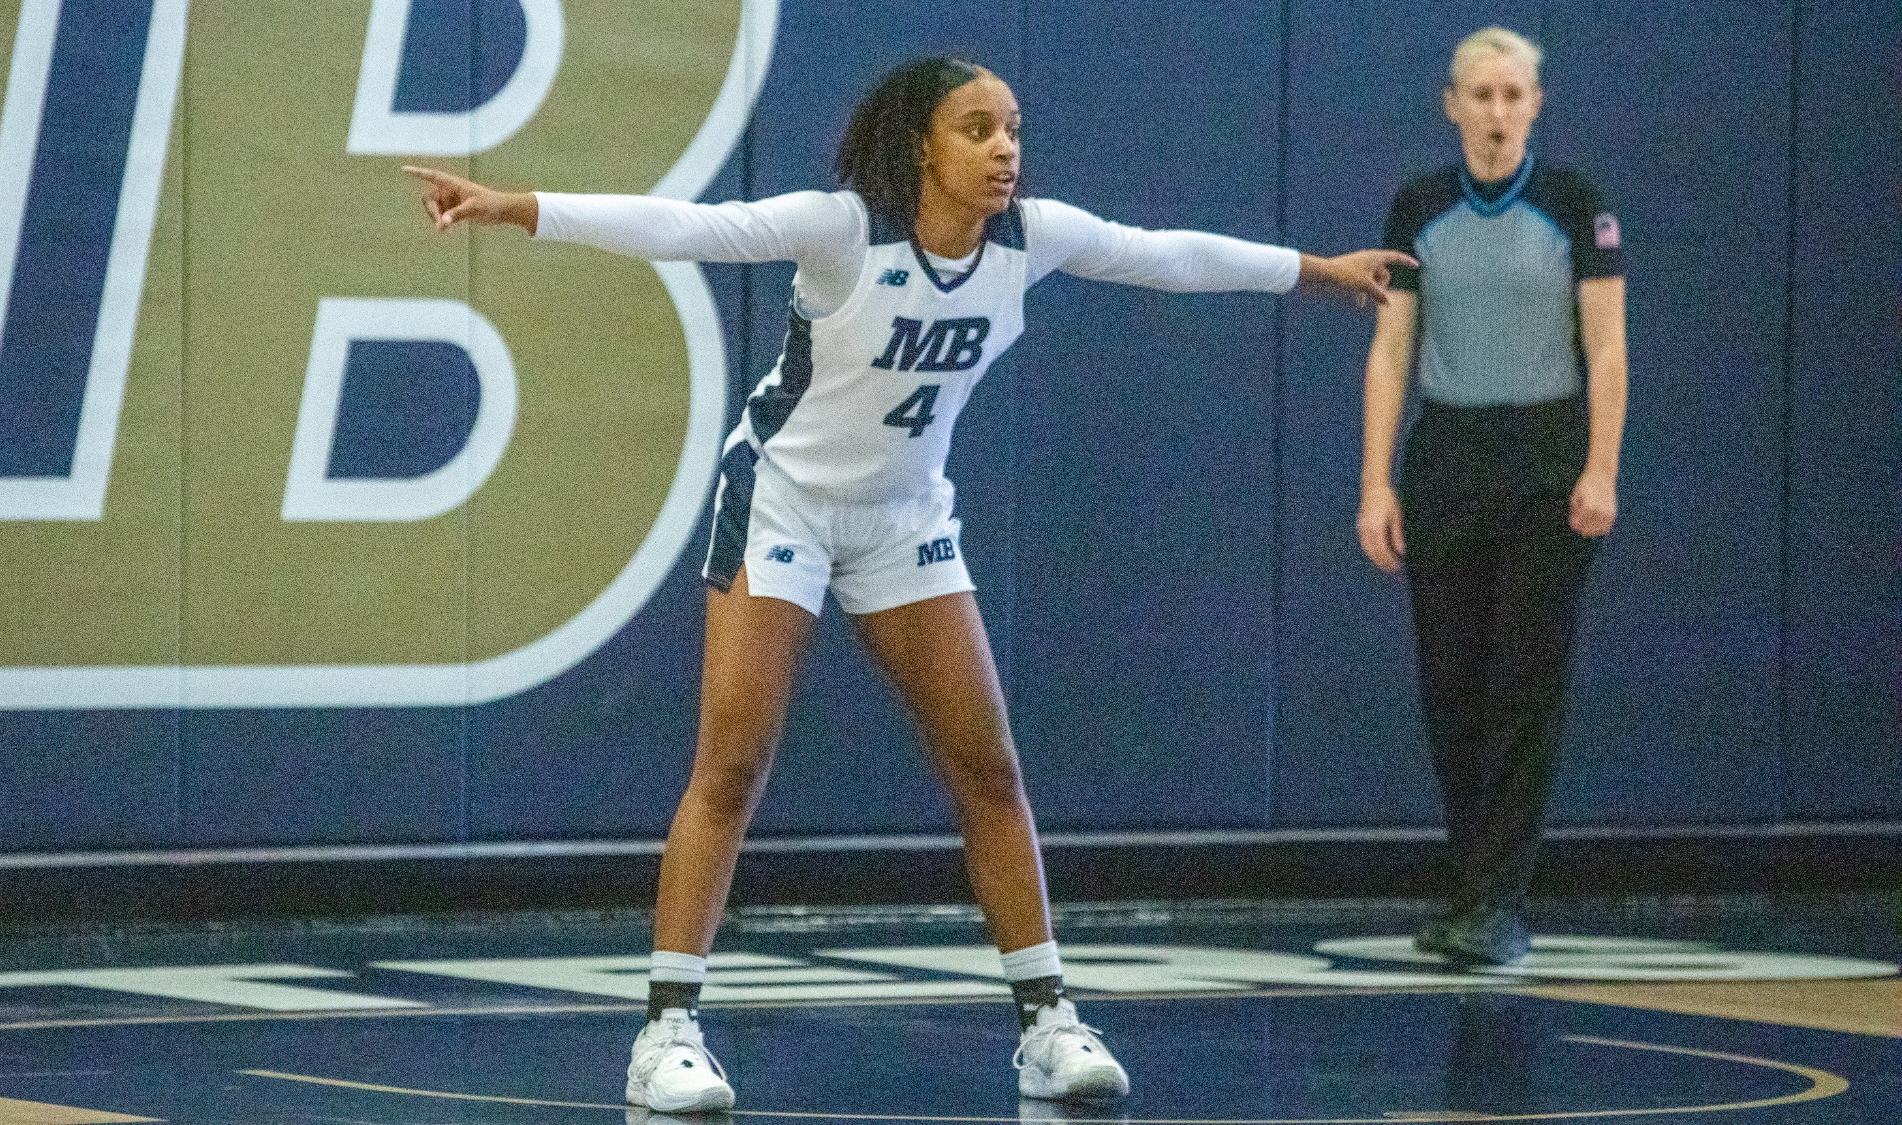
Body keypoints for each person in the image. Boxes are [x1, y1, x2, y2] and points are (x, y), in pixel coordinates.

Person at [410, 56, 1408, 1109]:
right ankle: (665, 1034)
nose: (1003, 149)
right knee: (734, 764)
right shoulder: (842, 230)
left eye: (1012, 129)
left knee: (987, 767)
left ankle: (1046, 1027)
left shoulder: (1031, 238)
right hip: (782, 500)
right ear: (920, 147)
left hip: (902, 520)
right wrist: (515, 207)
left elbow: (1165, 256)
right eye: (976, 130)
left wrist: (1316, 269)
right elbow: (685, 227)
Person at [1357, 28, 1628, 965]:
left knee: (1524, 683)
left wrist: (1600, 466)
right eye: (1481, 95)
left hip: (1547, 458)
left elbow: (1607, 348)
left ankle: (1498, 903)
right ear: (1452, 104)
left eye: (1514, 95)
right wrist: (1375, 482)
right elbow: (1391, 352)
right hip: (1449, 459)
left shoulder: (1575, 205)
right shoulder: (1419, 207)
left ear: (1536, 105)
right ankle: (1470, 885)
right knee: (1452, 685)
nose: (1498, 113)